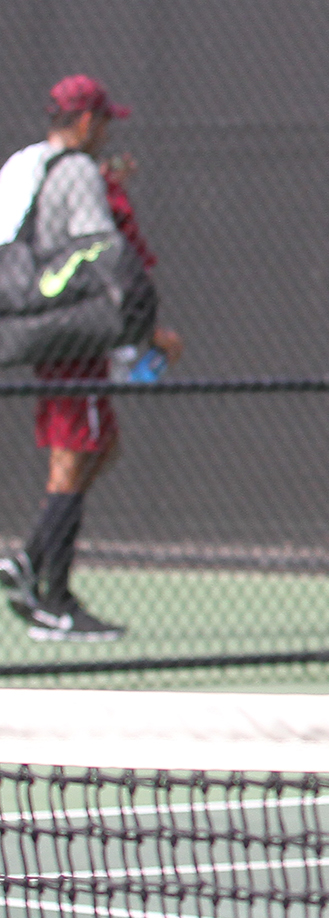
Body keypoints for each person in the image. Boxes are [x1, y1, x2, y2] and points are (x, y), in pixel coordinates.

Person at [0, 75, 181, 642]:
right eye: (102, 121)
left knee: (97, 448)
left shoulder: (28, 165)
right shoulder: (76, 170)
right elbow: (101, 253)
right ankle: (51, 597)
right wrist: (145, 331)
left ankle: (30, 561)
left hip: (45, 329)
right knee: (76, 455)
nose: (106, 131)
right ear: (84, 121)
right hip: (76, 333)